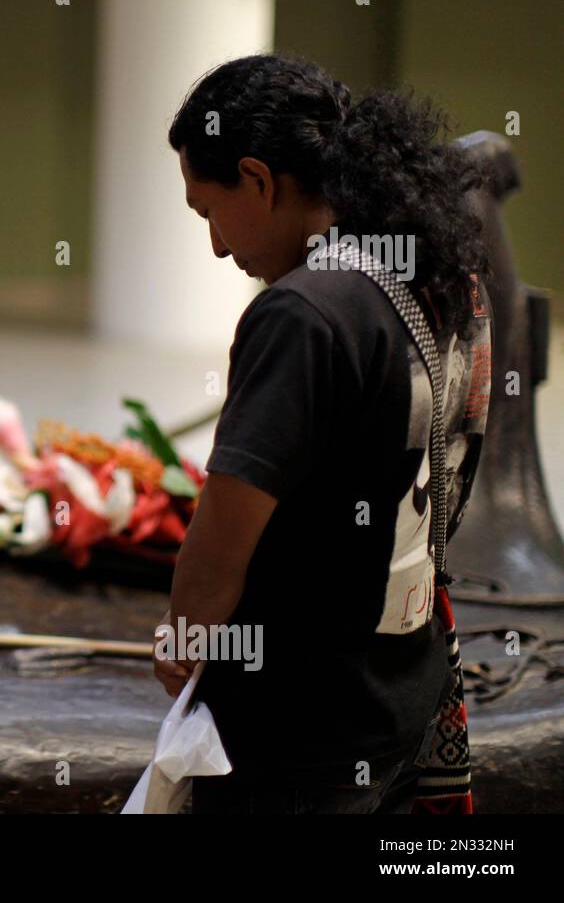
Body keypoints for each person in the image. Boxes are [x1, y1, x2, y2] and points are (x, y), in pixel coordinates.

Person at [153, 55, 492, 813]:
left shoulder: (304, 314)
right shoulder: (442, 275)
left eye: (208, 211)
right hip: (404, 691)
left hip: (300, 730)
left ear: (259, 179)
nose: (214, 246)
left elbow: (219, 545)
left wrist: (181, 640)